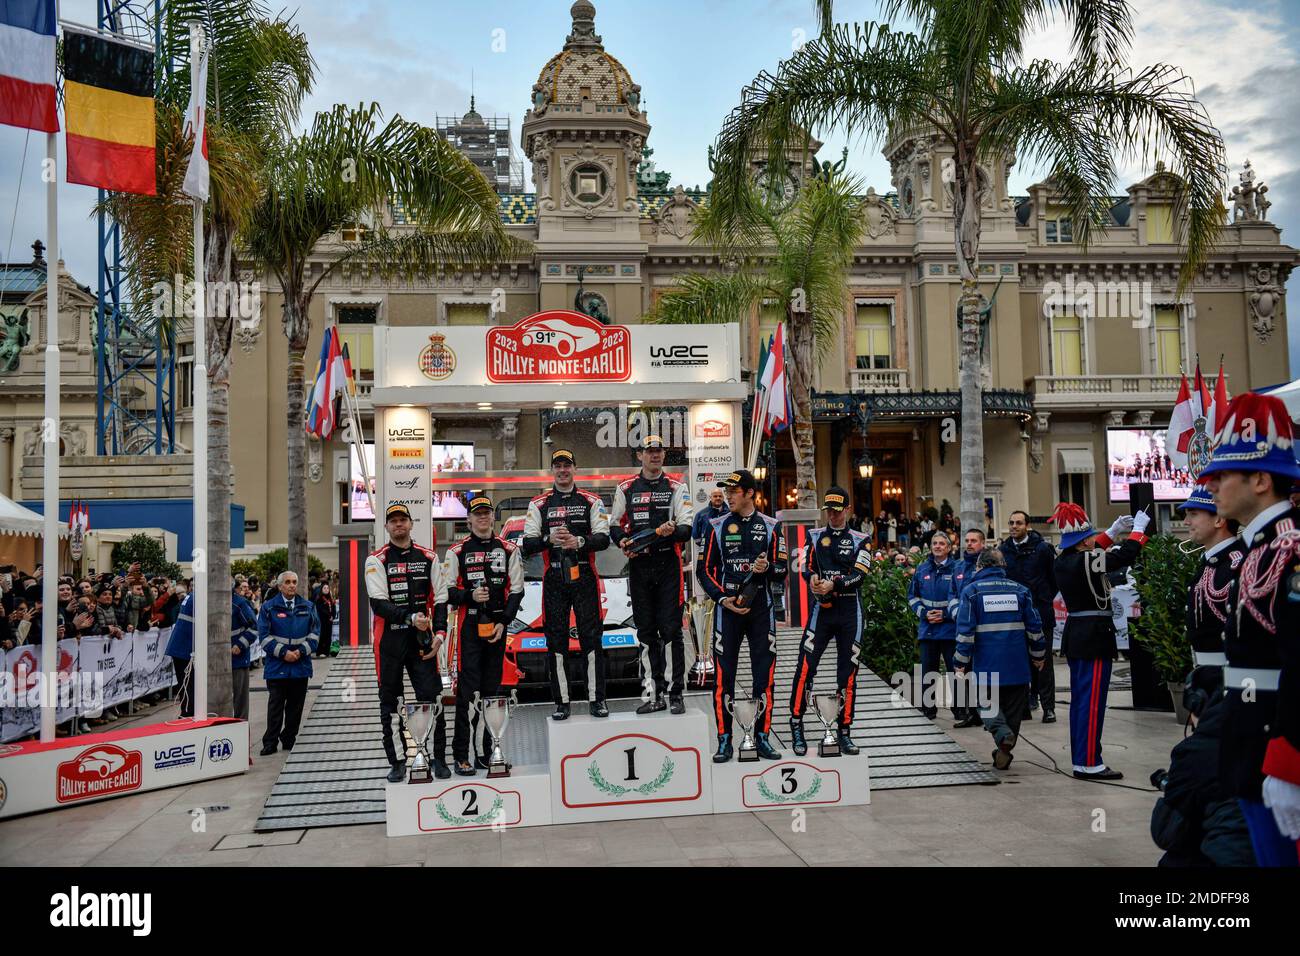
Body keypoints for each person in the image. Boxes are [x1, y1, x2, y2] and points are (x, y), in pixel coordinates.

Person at [1199, 393, 1300, 866]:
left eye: (1223, 475)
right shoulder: (1258, 548)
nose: (1212, 486)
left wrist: (1288, 762)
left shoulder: (1289, 550)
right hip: (1248, 745)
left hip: (1275, 746)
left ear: (1260, 480)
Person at [1052, 502, 1151, 780]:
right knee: (1092, 701)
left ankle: (1082, 758)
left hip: (1078, 635)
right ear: (1084, 540)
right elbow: (1121, 558)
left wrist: (1112, 531)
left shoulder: (1064, 561)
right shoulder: (1086, 560)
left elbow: (1096, 553)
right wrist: (1138, 532)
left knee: (1082, 701)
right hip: (1093, 635)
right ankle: (1088, 762)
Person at [699, 469, 787, 762]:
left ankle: (761, 737)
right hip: (728, 610)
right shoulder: (716, 525)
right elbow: (704, 570)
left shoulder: (773, 526)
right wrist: (722, 598)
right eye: (726, 492)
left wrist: (768, 569)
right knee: (724, 678)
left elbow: (782, 569)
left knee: (765, 676)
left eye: (734, 491)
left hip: (761, 609)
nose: (728, 496)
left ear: (750, 493)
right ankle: (725, 740)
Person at [523, 449, 611, 720]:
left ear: (575, 469)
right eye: (558, 465)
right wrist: (550, 539)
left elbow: (604, 538)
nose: (563, 470)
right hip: (554, 578)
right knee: (556, 640)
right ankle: (562, 702)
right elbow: (527, 544)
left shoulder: (591, 501)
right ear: (552, 470)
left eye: (567, 465)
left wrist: (579, 542)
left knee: (591, 639)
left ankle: (597, 700)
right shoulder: (538, 503)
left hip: (585, 575)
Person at [366, 502, 450, 782]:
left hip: (421, 641)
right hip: (389, 641)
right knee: (390, 703)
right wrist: (410, 616)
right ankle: (398, 761)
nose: (399, 524)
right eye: (394, 521)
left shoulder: (428, 557)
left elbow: (440, 599)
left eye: (403, 520)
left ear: (411, 524)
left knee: (433, 697)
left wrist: (440, 634)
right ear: (387, 526)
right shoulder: (376, 559)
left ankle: (438, 758)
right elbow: (378, 604)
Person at [610, 435, 694, 714]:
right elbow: (614, 525)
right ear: (640, 456)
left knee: (671, 631)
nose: (655, 456)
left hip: (668, 565)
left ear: (664, 455)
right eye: (650, 452)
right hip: (639, 565)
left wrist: (673, 532)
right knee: (645, 631)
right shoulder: (626, 487)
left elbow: (687, 528)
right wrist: (623, 541)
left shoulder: (677, 487)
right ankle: (652, 692)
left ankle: (675, 693)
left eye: (659, 451)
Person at [444, 495, 524, 776]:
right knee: (467, 693)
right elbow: (447, 592)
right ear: (468, 519)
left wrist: (504, 622)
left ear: (493, 517)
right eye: (476, 513)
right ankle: (461, 755)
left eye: (486, 513)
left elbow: (517, 590)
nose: (482, 517)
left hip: (498, 628)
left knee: (493, 692)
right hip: (469, 628)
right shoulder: (456, 551)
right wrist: (469, 595)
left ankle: (490, 753)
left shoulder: (509, 549)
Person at [787, 486, 869, 756]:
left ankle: (844, 731)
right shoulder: (814, 535)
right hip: (821, 611)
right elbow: (806, 566)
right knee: (804, 668)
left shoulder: (861, 539)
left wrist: (832, 584)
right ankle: (796, 725)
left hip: (849, 612)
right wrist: (810, 577)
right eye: (828, 511)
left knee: (847, 675)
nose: (832, 516)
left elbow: (859, 575)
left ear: (847, 510)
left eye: (837, 511)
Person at [1149, 665, 1255, 867]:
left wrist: (1173, 792)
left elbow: (1165, 833)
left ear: (1198, 702)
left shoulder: (1193, 753)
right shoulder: (1265, 733)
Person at [953, 549, 1046, 770]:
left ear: (981, 567)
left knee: (986, 704)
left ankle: (1003, 735)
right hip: (1017, 665)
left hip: (987, 665)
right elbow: (1035, 628)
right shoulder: (1020, 590)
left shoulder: (972, 591)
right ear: (1002, 566)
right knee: (1013, 711)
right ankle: (1004, 748)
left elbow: (965, 632)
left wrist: (960, 662)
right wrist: (1039, 655)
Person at [1000, 510, 1059, 722]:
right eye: (1011, 522)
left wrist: (1040, 599)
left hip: (1040, 613)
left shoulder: (1043, 549)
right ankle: (1025, 704)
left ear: (1027, 526)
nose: (1014, 526)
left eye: (1018, 523)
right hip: (1014, 616)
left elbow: (1054, 581)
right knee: (1020, 660)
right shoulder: (1003, 550)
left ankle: (1048, 708)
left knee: (1043, 662)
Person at [1178, 486, 1243, 669]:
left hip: (1233, 675)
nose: (1186, 522)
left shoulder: (1236, 564)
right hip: (1207, 674)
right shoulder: (1211, 561)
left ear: (1219, 520)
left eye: (1193, 514)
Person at [256, 571, 319, 755]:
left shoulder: (308, 607)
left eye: (294, 582)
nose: (292, 585)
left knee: (296, 706)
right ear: (280, 586)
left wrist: (299, 652)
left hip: (300, 666)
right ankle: (270, 742)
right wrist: (284, 653)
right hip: (277, 667)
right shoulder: (269, 608)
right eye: (288, 582)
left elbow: (315, 635)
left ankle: (289, 739)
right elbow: (264, 637)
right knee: (275, 705)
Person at [907, 530, 960, 720]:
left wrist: (945, 615)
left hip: (950, 629)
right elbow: (912, 596)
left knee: (956, 671)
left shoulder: (957, 569)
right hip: (927, 629)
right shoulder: (922, 569)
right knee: (928, 671)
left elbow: (962, 598)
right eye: (934, 543)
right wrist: (924, 613)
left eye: (941, 544)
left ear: (949, 547)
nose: (937, 546)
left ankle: (960, 711)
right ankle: (928, 710)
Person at [948, 528, 987, 727]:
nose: (969, 544)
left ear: (983, 543)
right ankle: (971, 713)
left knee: (982, 671)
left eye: (974, 541)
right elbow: (952, 594)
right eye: (967, 540)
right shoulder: (959, 566)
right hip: (963, 627)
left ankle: (986, 712)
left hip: (982, 628)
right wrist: (957, 612)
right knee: (967, 670)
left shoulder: (986, 566)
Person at [231, 583, 258, 720]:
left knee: (240, 700)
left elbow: (254, 627)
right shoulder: (208, 602)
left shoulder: (239, 603)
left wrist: (240, 645)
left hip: (238, 660)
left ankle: (240, 729)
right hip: (217, 662)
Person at [313, 583, 335, 658]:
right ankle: (320, 651)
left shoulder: (331, 599)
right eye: (324, 588)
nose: (326, 589)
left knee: (329, 636)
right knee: (323, 635)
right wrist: (329, 615)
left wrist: (332, 616)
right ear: (322, 590)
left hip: (330, 620)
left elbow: (333, 608)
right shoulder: (319, 598)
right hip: (322, 620)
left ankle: (327, 651)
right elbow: (321, 609)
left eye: (327, 588)